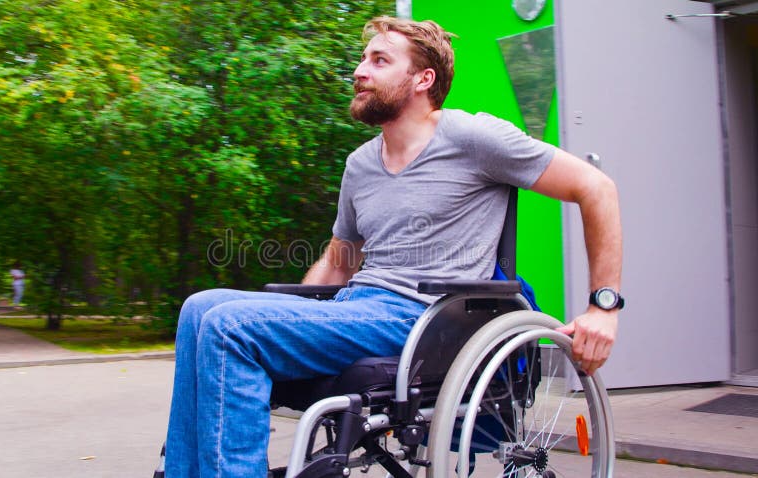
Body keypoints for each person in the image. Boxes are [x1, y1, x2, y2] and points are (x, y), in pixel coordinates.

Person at [164, 16, 622, 477]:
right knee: (201, 308)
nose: (360, 70)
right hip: (356, 308)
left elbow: (595, 188)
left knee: (229, 326)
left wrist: (603, 306)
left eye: (379, 60)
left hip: (423, 317)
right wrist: (291, 314)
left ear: (423, 79)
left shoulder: (473, 138)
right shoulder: (360, 164)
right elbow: (340, 259)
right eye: (364, 59)